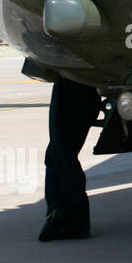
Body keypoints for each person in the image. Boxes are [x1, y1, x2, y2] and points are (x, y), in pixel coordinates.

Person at [39, 78, 102, 242]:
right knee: (56, 155)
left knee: (62, 156)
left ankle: (71, 219)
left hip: (72, 86)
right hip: (82, 88)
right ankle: (63, 214)